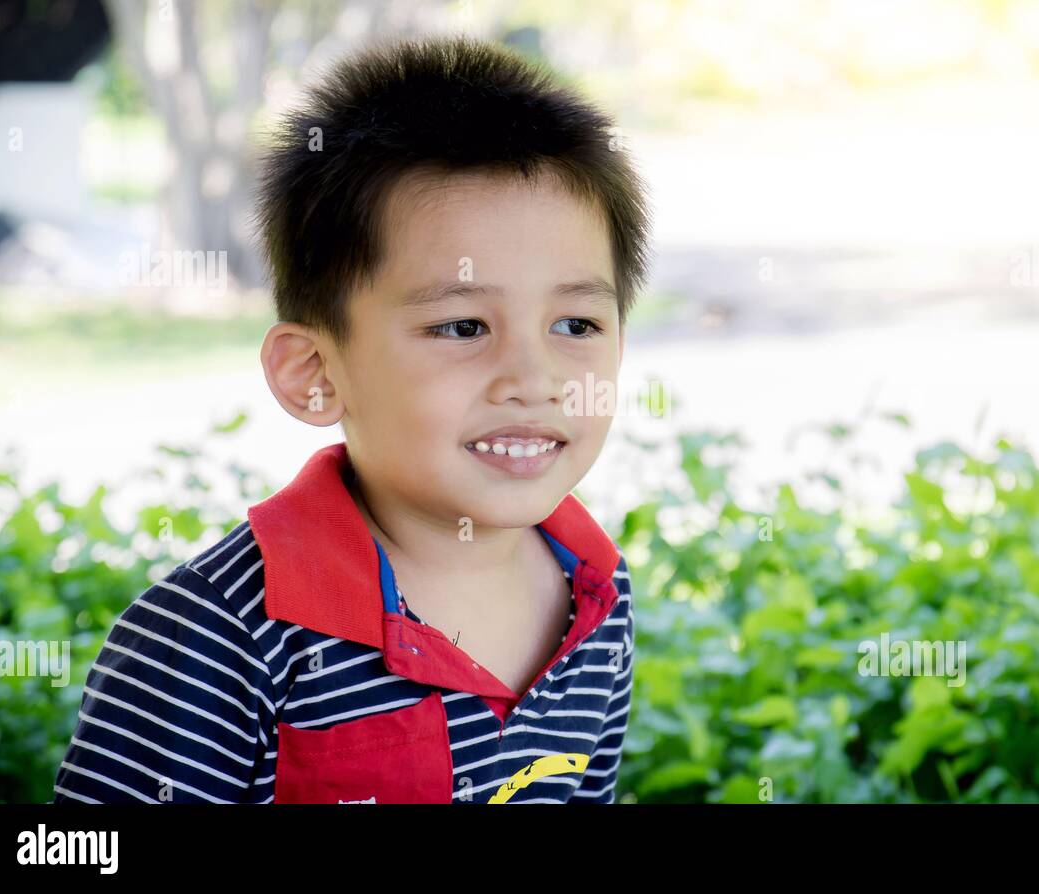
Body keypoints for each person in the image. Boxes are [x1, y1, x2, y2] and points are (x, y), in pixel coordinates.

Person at [52, 33, 649, 804]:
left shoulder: (598, 593)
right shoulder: (214, 638)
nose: (534, 380)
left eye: (576, 325)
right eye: (463, 327)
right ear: (315, 374)